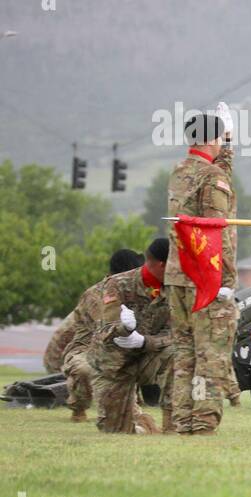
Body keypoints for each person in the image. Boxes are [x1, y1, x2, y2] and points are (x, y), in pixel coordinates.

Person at [166, 109, 238, 435]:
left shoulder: (179, 171)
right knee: (209, 357)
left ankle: (182, 423)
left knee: (184, 356)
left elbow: (215, 172)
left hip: (177, 276)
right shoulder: (212, 177)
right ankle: (203, 425)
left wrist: (229, 143)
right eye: (220, 138)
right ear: (211, 139)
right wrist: (226, 279)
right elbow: (215, 230)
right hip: (204, 280)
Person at [89, 239, 173, 434]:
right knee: (115, 430)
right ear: (162, 264)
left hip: (147, 357)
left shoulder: (175, 289)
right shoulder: (118, 284)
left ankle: (172, 427)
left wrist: (145, 341)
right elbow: (105, 330)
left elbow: (176, 334)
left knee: (178, 355)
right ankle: (141, 425)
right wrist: (123, 328)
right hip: (114, 364)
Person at [60, 249, 143, 422]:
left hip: (121, 346)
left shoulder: (135, 292)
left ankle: (131, 408)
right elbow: (108, 328)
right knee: (84, 369)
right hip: (86, 348)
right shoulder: (97, 294)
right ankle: (79, 408)